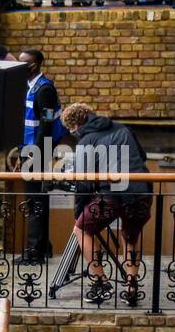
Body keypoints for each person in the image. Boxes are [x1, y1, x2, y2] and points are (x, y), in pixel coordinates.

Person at [63, 102, 152, 305]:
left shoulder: (86, 140)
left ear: (75, 126)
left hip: (111, 195)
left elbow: (83, 182)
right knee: (130, 236)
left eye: (70, 129)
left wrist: (78, 213)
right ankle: (131, 288)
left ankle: (101, 283)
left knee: (82, 229)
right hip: (140, 192)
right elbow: (142, 156)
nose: (71, 133)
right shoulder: (123, 128)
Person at [17, 48, 65, 263]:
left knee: (34, 200)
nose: (19, 67)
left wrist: (34, 154)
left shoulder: (44, 89)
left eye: (23, 63)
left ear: (33, 66)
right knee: (35, 199)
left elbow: (46, 123)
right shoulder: (28, 87)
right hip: (29, 149)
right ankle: (43, 246)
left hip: (38, 151)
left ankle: (35, 251)